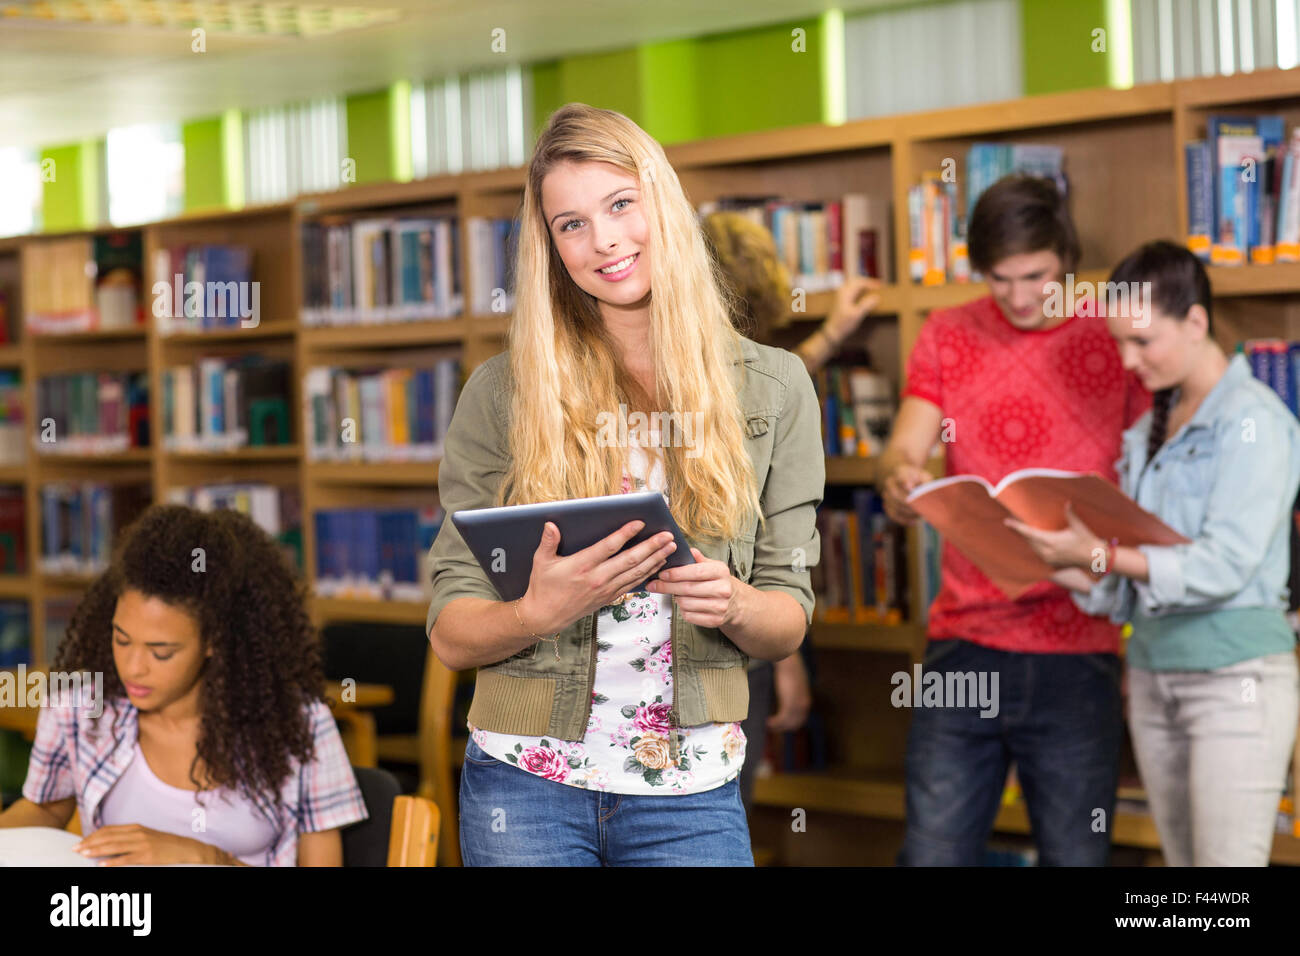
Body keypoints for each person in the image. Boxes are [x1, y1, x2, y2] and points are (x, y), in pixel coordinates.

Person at [426, 103, 824, 866]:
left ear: (662, 204)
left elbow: (787, 618)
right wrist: (537, 612)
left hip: (693, 788)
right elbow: (450, 631)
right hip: (524, 783)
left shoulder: (775, 388)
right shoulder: (503, 392)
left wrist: (736, 603)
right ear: (549, 246)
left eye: (619, 205)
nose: (603, 240)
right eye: (570, 224)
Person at [880, 174, 1149, 866]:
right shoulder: (947, 333)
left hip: (1081, 647)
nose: (1022, 297)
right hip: (964, 642)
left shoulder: (1116, 336)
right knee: (930, 855)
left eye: (1036, 276)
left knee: (1075, 855)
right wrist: (903, 478)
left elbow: (1157, 473)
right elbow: (905, 446)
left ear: (1067, 254)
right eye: (1001, 280)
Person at [1007, 240, 1300, 866]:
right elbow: (1130, 581)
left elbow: (1224, 565)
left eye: (1142, 341)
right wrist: (1064, 559)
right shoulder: (1148, 432)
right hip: (1152, 673)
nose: (1127, 360)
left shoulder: (1257, 422)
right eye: (1118, 343)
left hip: (1234, 680)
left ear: (1196, 322)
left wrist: (1103, 556)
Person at [0, 505, 367, 866]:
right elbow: (44, 810)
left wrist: (206, 857)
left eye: (161, 652)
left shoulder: (299, 724)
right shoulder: (80, 711)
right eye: (121, 639)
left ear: (214, 641)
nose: (133, 668)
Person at [701, 209, 881, 813]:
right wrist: (786, 662)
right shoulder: (732, 390)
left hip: (745, 621)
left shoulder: (765, 379)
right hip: (732, 634)